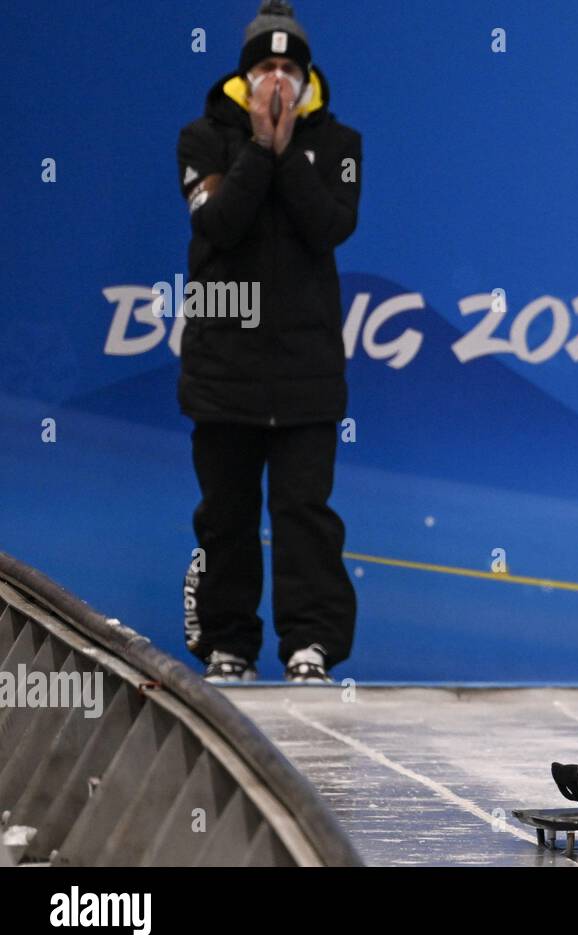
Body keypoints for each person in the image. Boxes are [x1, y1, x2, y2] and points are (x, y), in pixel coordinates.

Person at [175, 0, 361, 684]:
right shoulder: (201, 141)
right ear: (243, 76)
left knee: (304, 515)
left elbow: (328, 227)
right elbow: (219, 224)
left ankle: (309, 646)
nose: (277, 81)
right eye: (265, 67)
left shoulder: (340, 147)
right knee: (224, 516)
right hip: (222, 372)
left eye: (289, 67)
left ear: (307, 76)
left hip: (307, 375)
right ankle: (229, 645)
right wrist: (258, 147)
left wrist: (286, 155)